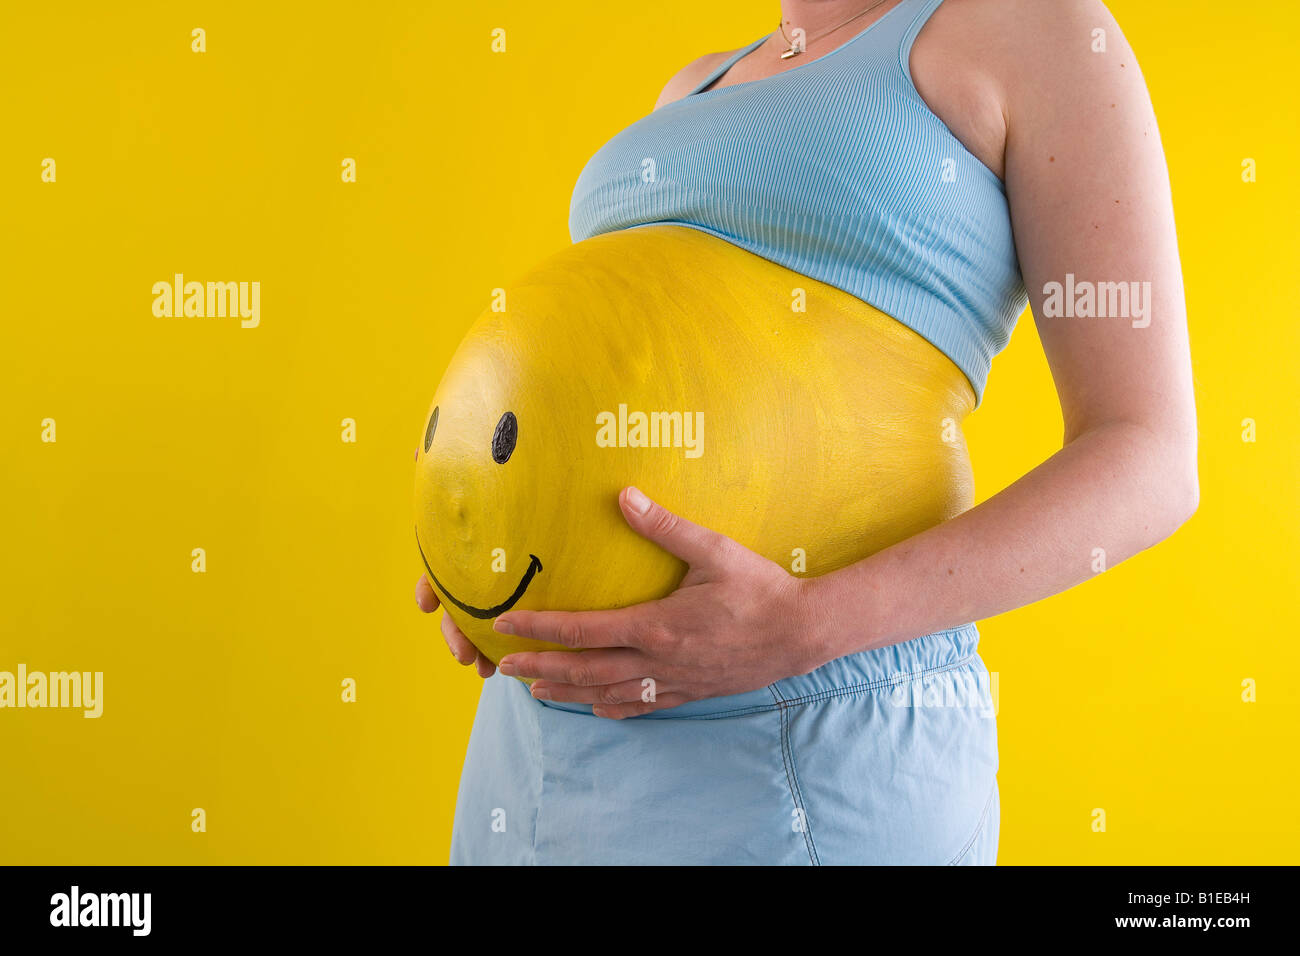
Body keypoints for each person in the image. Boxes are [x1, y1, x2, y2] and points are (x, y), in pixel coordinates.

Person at [417, 0, 1198, 864]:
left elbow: (1149, 456)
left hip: (806, 738)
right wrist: (492, 558)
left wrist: (805, 624)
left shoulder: (1029, 27)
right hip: (538, 741)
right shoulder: (692, 86)